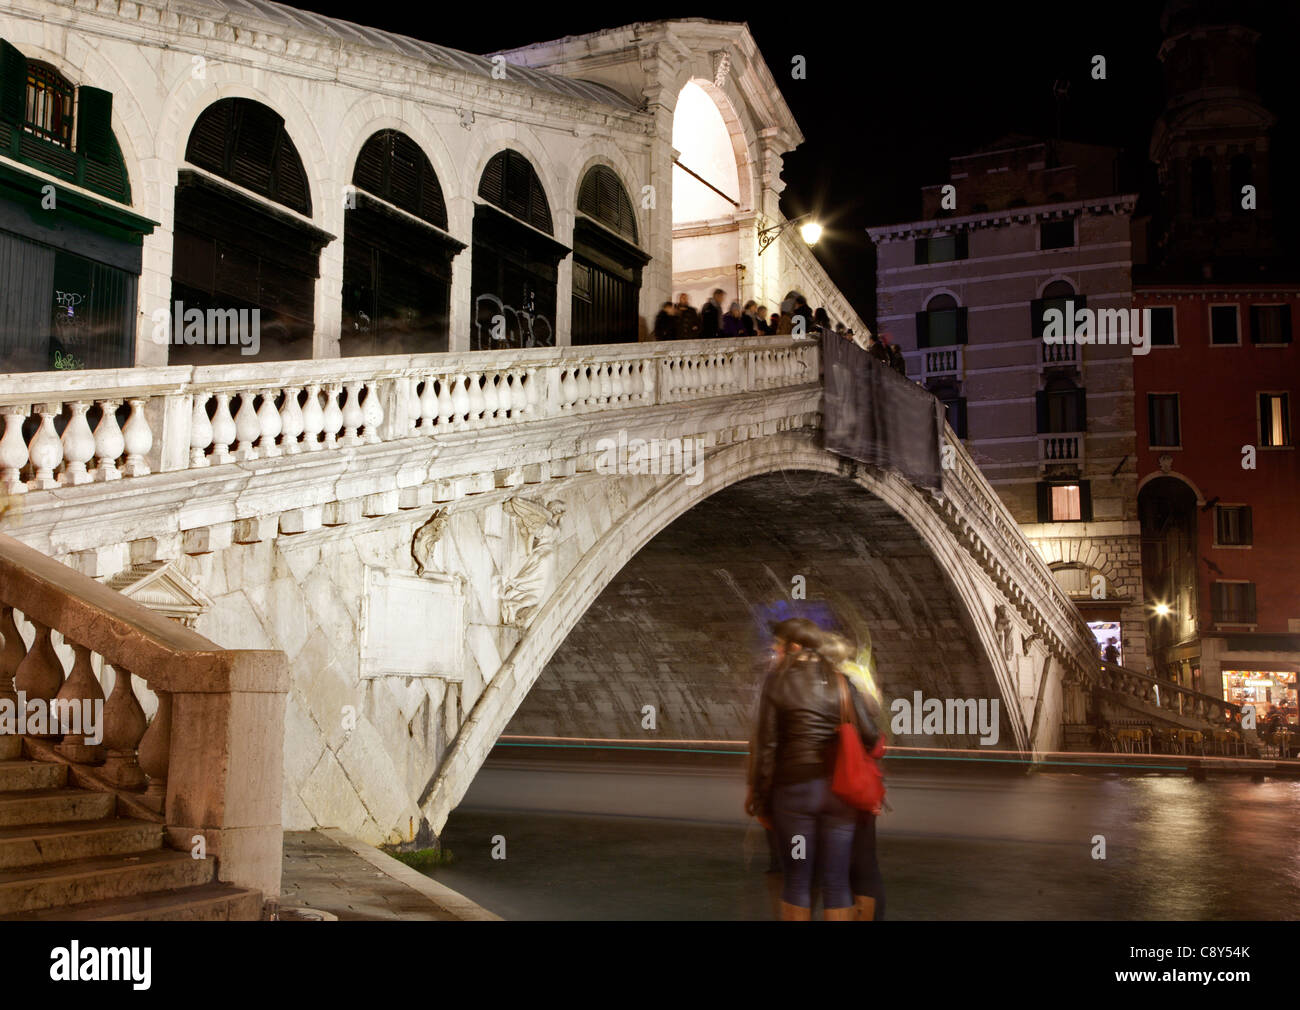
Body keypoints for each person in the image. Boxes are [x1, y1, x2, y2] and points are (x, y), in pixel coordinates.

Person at [747, 618, 879, 920]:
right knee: (836, 881)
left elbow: (766, 745)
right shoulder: (842, 680)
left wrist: (760, 797)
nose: (776, 651)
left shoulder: (777, 681)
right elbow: (870, 737)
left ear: (794, 646)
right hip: (838, 801)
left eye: (778, 645)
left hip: (796, 802)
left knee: (797, 880)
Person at [818, 633, 886, 921]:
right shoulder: (857, 678)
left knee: (839, 869)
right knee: (865, 864)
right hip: (856, 780)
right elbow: (872, 736)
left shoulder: (832, 683)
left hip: (829, 784)